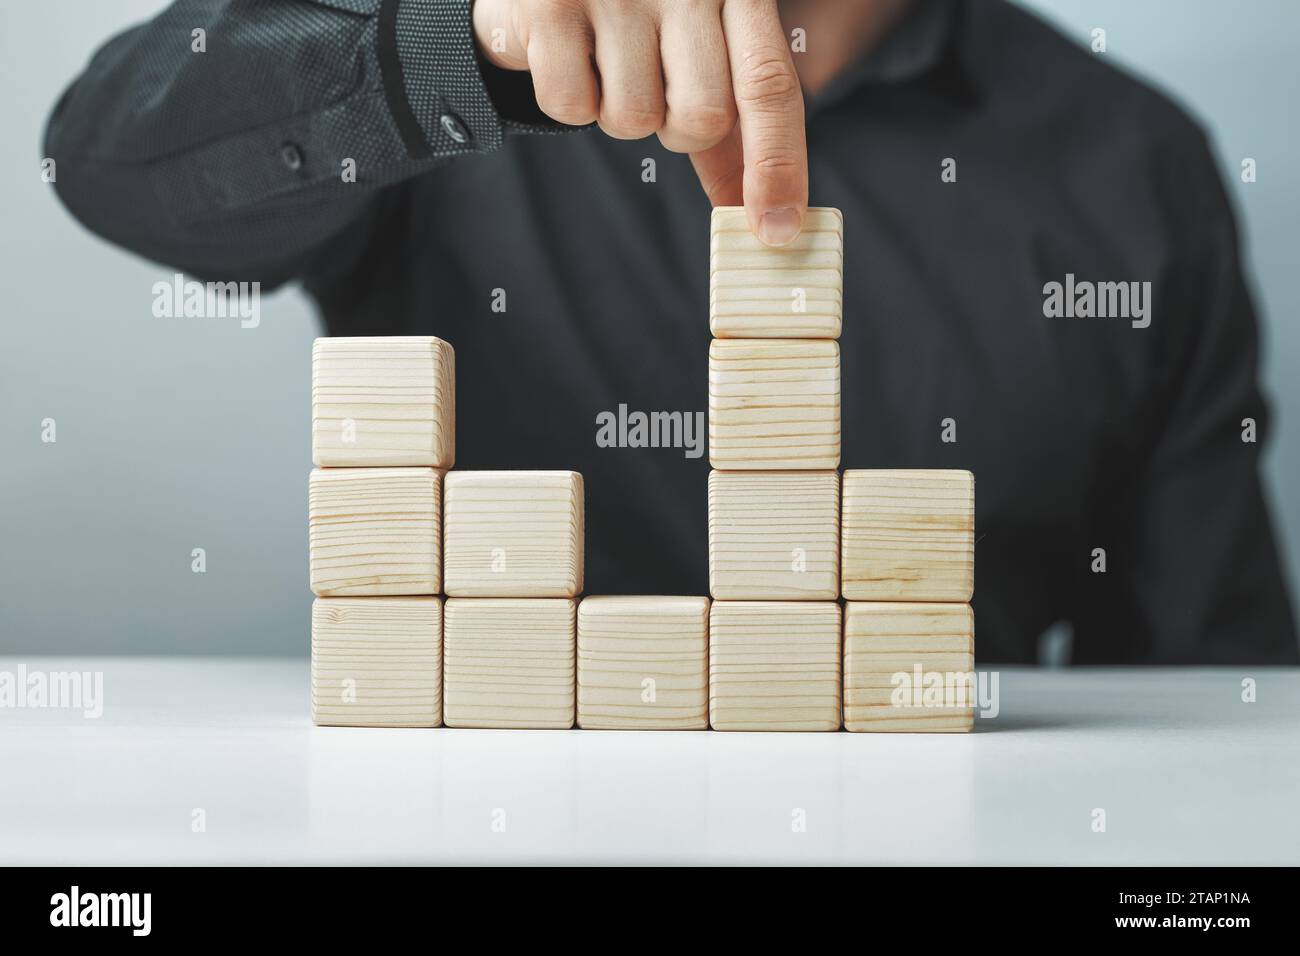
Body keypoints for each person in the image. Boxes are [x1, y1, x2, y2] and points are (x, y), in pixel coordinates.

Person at [45, 0, 1297, 663]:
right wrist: (448, 51)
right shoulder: (462, 36)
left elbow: (1207, 678)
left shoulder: (1134, 165)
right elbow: (100, 160)